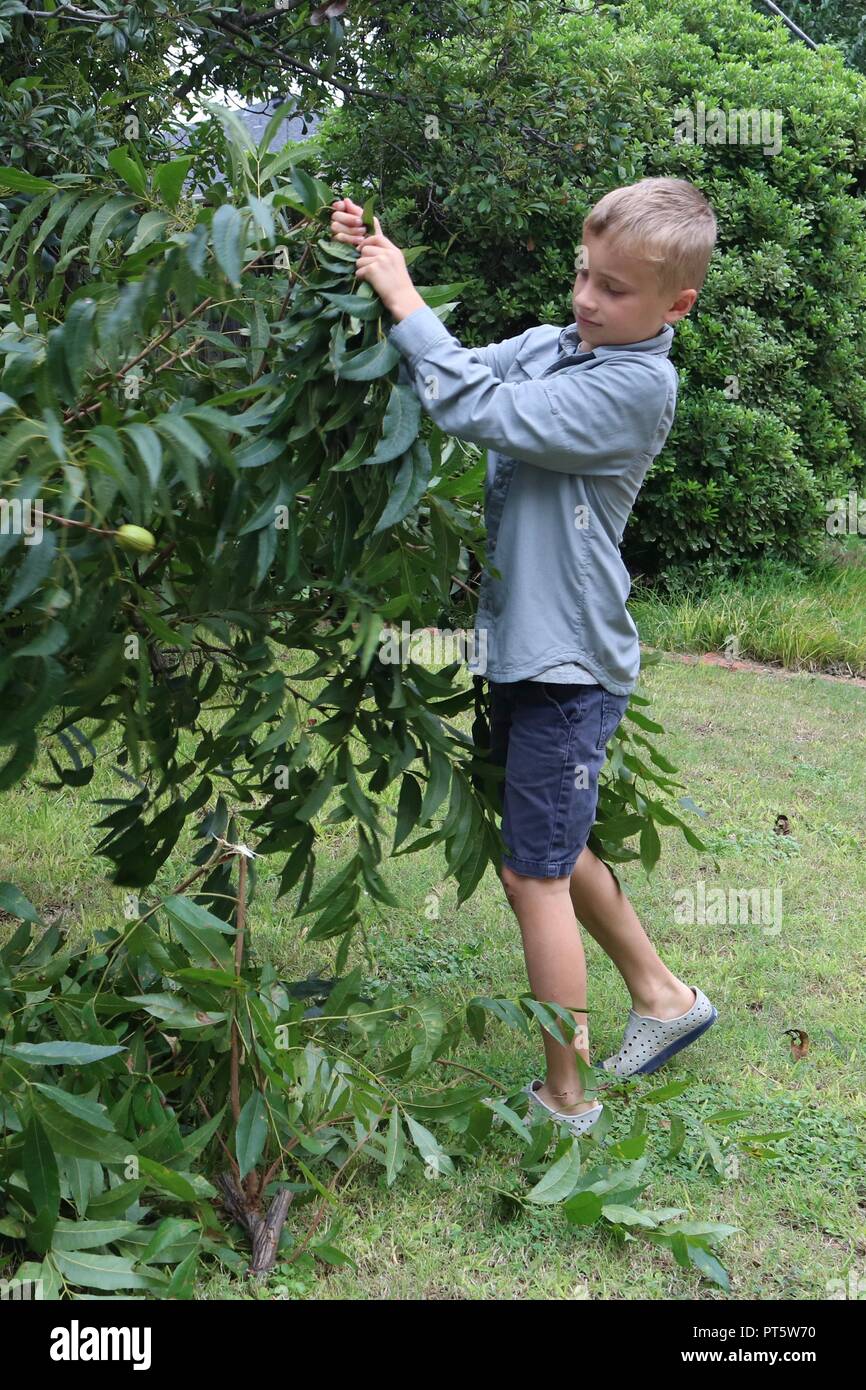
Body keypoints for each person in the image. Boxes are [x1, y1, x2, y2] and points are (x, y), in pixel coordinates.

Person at [330, 177, 719, 1135]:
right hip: (528, 653)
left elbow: (471, 406)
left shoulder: (635, 387)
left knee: (531, 874)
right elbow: (450, 365)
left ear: (677, 306)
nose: (587, 299)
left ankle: (566, 1097)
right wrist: (375, 272)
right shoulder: (562, 346)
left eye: (616, 290)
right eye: (585, 275)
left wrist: (404, 295)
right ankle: (666, 997)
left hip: (570, 667)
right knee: (556, 842)